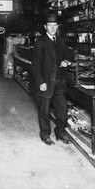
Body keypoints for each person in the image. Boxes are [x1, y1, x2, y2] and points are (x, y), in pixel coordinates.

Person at [32, 12, 74, 145]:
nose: (52, 28)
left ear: (57, 26)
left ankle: (60, 133)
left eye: (54, 25)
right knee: (44, 111)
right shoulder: (40, 42)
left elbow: (70, 54)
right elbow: (35, 65)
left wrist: (67, 61)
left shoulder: (61, 41)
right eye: (49, 25)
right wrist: (40, 82)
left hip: (59, 82)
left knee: (62, 111)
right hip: (45, 83)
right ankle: (45, 134)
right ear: (45, 27)